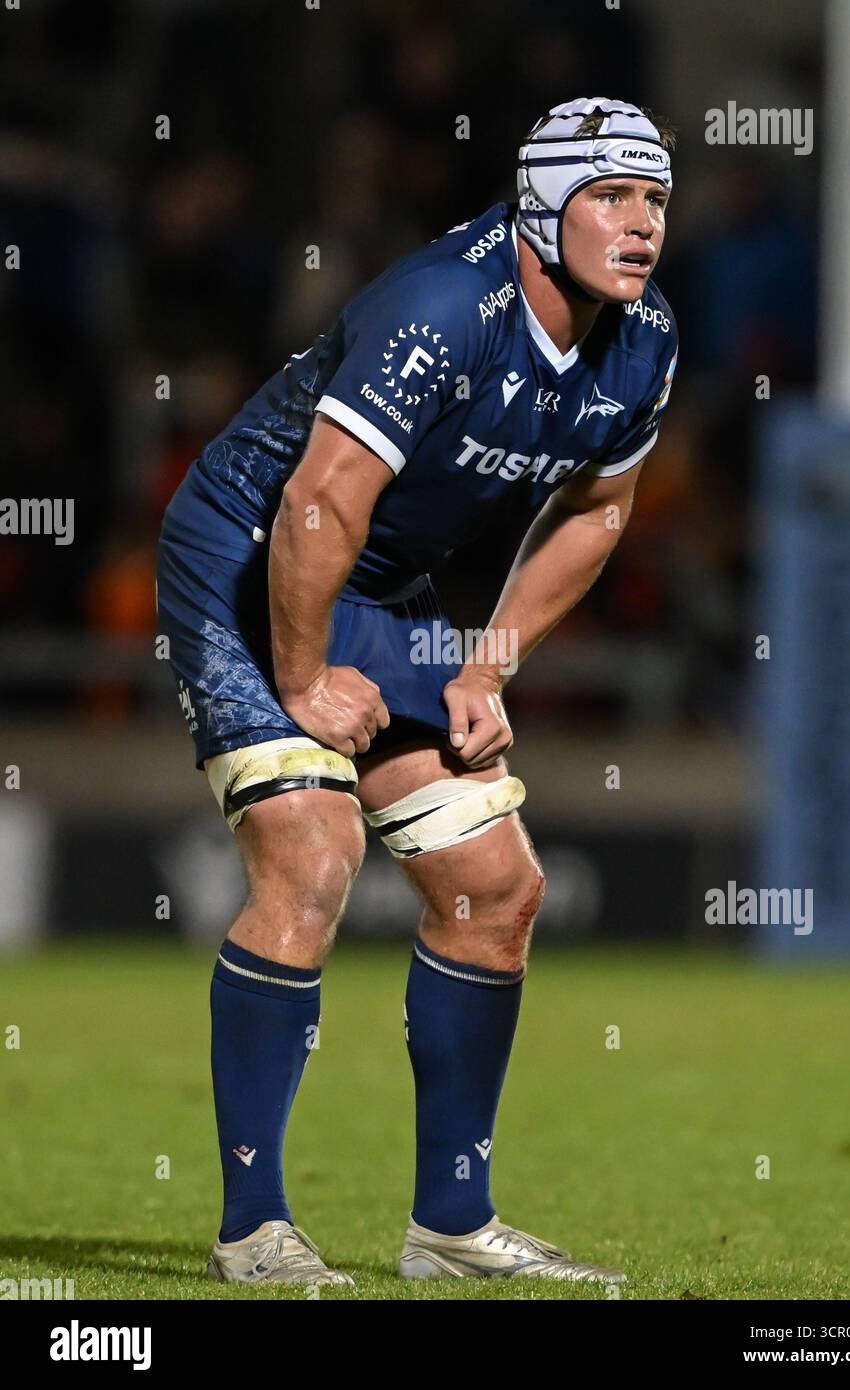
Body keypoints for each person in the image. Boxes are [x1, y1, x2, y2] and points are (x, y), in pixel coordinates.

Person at [156, 97, 678, 1286]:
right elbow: (316, 501)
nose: (642, 223)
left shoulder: (643, 338)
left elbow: (598, 513)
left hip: (387, 588)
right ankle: (253, 1231)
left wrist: (487, 662)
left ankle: (451, 1228)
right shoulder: (443, 307)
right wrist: (302, 677)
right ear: (541, 206)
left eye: (655, 197)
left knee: (497, 887)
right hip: (253, 556)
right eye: (609, 194)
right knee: (313, 851)